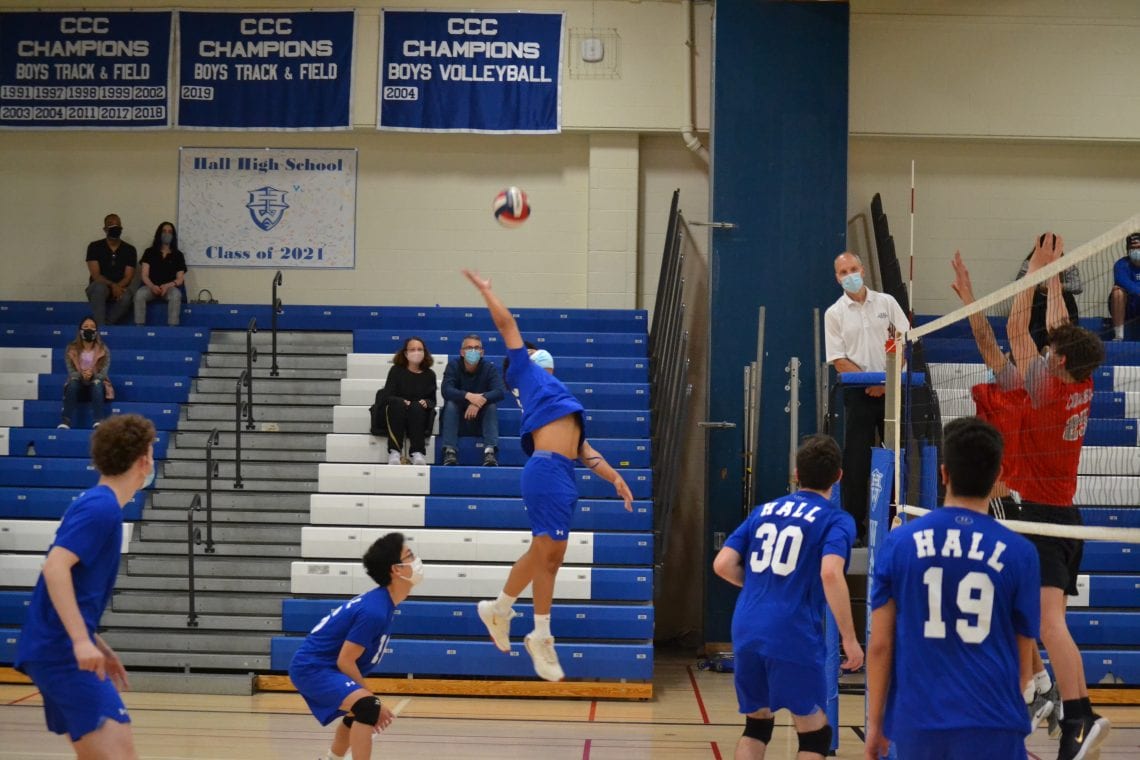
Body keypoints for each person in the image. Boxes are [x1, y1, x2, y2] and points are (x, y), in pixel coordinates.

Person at [946, 234, 1109, 758]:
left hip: (1038, 515)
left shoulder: (1045, 388)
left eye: (1050, 349)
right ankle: (1045, 692)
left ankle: (1078, 714)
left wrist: (1033, 273)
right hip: (1053, 514)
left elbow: (1016, 329)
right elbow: (1002, 344)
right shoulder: (1074, 381)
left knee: (1046, 622)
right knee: (1018, 610)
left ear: (1056, 363)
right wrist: (1053, 277)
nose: (1045, 346)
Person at [464, 269, 633, 681]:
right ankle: (539, 633)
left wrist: (615, 479)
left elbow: (585, 451)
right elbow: (507, 325)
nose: (541, 356)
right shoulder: (526, 374)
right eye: (535, 353)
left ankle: (500, 609)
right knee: (550, 555)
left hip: (562, 473)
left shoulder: (557, 397)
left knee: (547, 554)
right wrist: (489, 291)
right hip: (544, 471)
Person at [865, 417, 1041, 760]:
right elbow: (1024, 665)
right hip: (994, 721)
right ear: (999, 475)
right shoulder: (1021, 553)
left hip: (919, 720)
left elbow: (881, 645)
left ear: (944, 474)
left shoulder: (900, 543)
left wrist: (875, 726)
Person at [712, 434, 864, 760]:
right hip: (791, 629)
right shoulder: (836, 519)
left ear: (797, 473)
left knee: (757, 727)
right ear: (839, 476)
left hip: (747, 626)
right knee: (815, 736)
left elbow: (722, 564)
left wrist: (759, 585)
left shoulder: (764, 510)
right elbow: (830, 573)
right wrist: (850, 639)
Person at [14, 414, 156, 760]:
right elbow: (55, 567)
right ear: (143, 460)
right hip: (61, 652)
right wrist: (80, 640)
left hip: (58, 649)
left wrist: (95, 641)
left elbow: (70, 584)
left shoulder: (100, 504)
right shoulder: (101, 507)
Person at [288, 532, 417, 760]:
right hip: (313, 668)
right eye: (410, 556)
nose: (416, 562)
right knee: (368, 707)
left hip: (322, 667)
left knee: (360, 710)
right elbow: (345, 660)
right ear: (396, 569)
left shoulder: (383, 603)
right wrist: (373, 700)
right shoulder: (375, 610)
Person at [824, 251, 910, 542]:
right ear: (837, 277)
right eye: (843, 272)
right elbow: (838, 359)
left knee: (897, 456)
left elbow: (903, 342)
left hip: (892, 391)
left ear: (862, 269)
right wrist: (868, 382)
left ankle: (898, 522)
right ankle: (856, 529)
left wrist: (886, 382)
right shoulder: (834, 314)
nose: (849, 275)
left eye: (853, 269)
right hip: (857, 394)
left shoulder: (887, 302)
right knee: (857, 461)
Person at [439, 333, 507, 466]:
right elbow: (446, 390)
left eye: (477, 348)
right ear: (462, 352)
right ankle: (450, 451)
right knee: (451, 404)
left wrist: (479, 401)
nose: (473, 351)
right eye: (469, 348)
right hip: (457, 419)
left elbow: (499, 391)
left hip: (480, 421)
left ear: (482, 352)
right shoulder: (453, 366)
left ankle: (489, 452)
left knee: (491, 405)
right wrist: (468, 396)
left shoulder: (489, 368)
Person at [372, 337, 438, 466]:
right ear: (406, 353)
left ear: (425, 352)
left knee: (417, 406)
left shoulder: (430, 374)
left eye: (419, 349)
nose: (416, 352)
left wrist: (426, 402)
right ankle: (394, 451)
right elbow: (387, 396)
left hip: (417, 414)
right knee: (397, 404)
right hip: (396, 411)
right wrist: (401, 401)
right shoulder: (396, 371)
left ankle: (417, 452)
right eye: (412, 349)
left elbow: (432, 400)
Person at [1014, 239, 1082, 351]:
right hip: (1038, 301)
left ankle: (1069, 343)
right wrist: (1039, 287)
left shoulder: (1066, 264)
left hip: (1059, 300)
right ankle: (1024, 346)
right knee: (1031, 300)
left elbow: (1078, 286)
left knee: (1068, 297)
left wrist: (1060, 286)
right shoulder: (1030, 263)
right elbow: (1019, 283)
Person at [60, 316, 112, 430]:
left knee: (98, 383)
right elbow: (71, 371)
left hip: (96, 384)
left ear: (96, 331)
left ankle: (98, 420)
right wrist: (82, 375)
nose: (89, 329)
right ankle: (66, 420)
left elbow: (103, 372)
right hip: (78, 382)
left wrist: (92, 375)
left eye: (92, 327)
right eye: (86, 327)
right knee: (73, 383)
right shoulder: (71, 348)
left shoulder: (104, 349)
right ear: (80, 330)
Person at [85, 214, 137, 326]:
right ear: (104, 229)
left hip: (120, 288)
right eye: (110, 224)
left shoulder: (130, 250)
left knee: (128, 295)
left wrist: (118, 287)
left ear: (121, 228)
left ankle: (104, 327)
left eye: (117, 225)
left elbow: (128, 276)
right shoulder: (94, 247)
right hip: (99, 288)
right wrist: (113, 286)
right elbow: (96, 275)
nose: (114, 227)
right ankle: (101, 326)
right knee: (99, 288)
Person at [133, 221, 187, 326]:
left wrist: (167, 285)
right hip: (151, 287)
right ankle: (139, 327)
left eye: (170, 232)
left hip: (169, 288)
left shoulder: (178, 255)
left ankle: (173, 327)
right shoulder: (149, 252)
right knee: (139, 294)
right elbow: (144, 275)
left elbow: (180, 279)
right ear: (159, 233)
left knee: (176, 294)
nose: (167, 234)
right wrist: (152, 286)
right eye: (164, 231)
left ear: (173, 236)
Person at [1109, 231, 1140, 341]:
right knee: (1117, 291)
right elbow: (1123, 282)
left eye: (1139, 247)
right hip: (1127, 307)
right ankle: (1119, 335)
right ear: (1128, 249)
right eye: (1133, 247)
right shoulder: (1121, 264)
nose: (1137, 251)